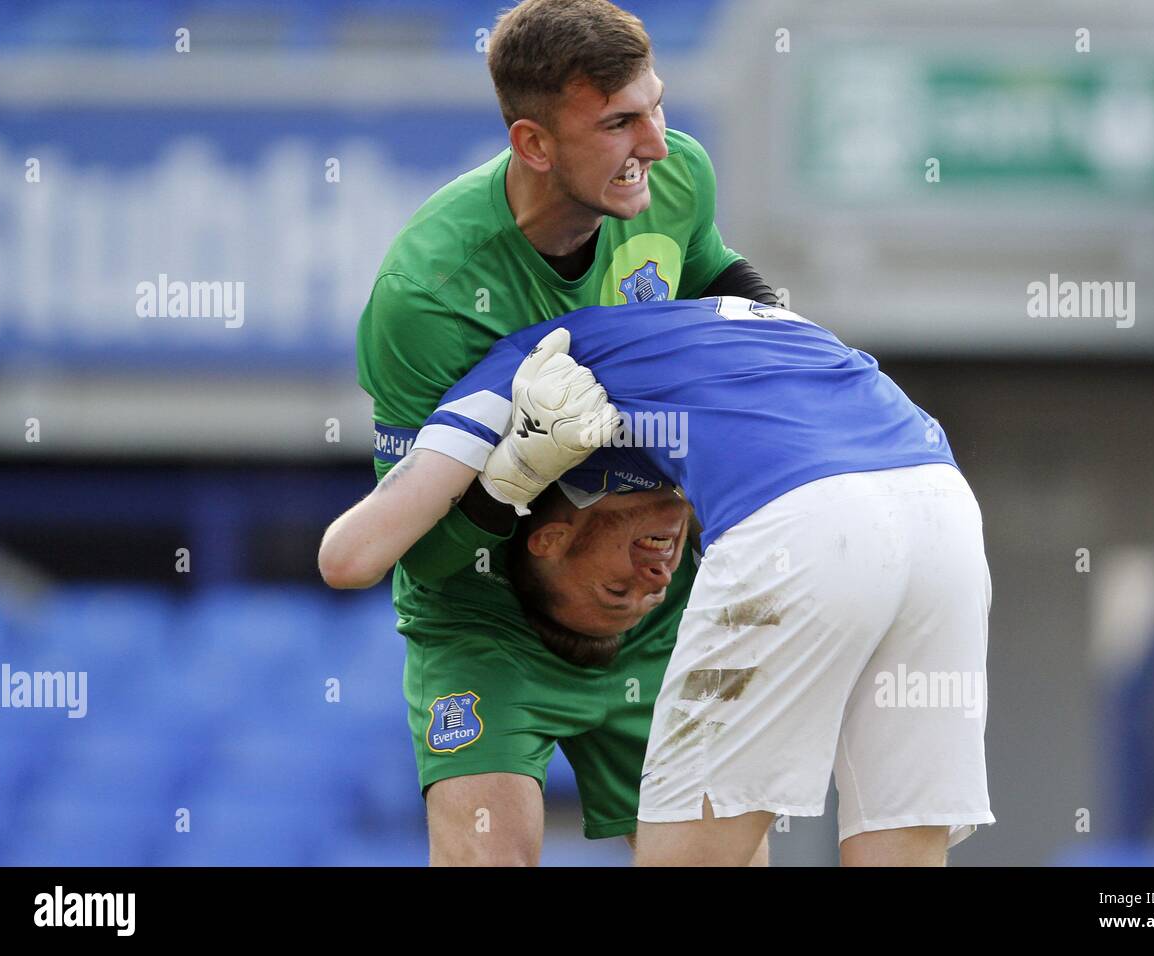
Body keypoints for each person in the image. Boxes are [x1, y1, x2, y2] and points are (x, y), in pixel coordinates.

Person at [323, 295, 996, 866]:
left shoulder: (538, 359)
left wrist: (509, 478)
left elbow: (347, 558)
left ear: (551, 541)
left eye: (619, 591)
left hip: (808, 519)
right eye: (642, 596)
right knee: (902, 846)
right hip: (944, 509)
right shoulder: (716, 319)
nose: (658, 578)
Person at [348, 0, 776, 864]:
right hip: (488, 622)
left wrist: (772, 324)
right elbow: (419, 551)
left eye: (656, 106)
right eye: (619, 122)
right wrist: (507, 476)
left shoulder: (677, 175)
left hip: (656, 605)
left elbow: (711, 273)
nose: (654, 143)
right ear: (534, 145)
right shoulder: (425, 295)